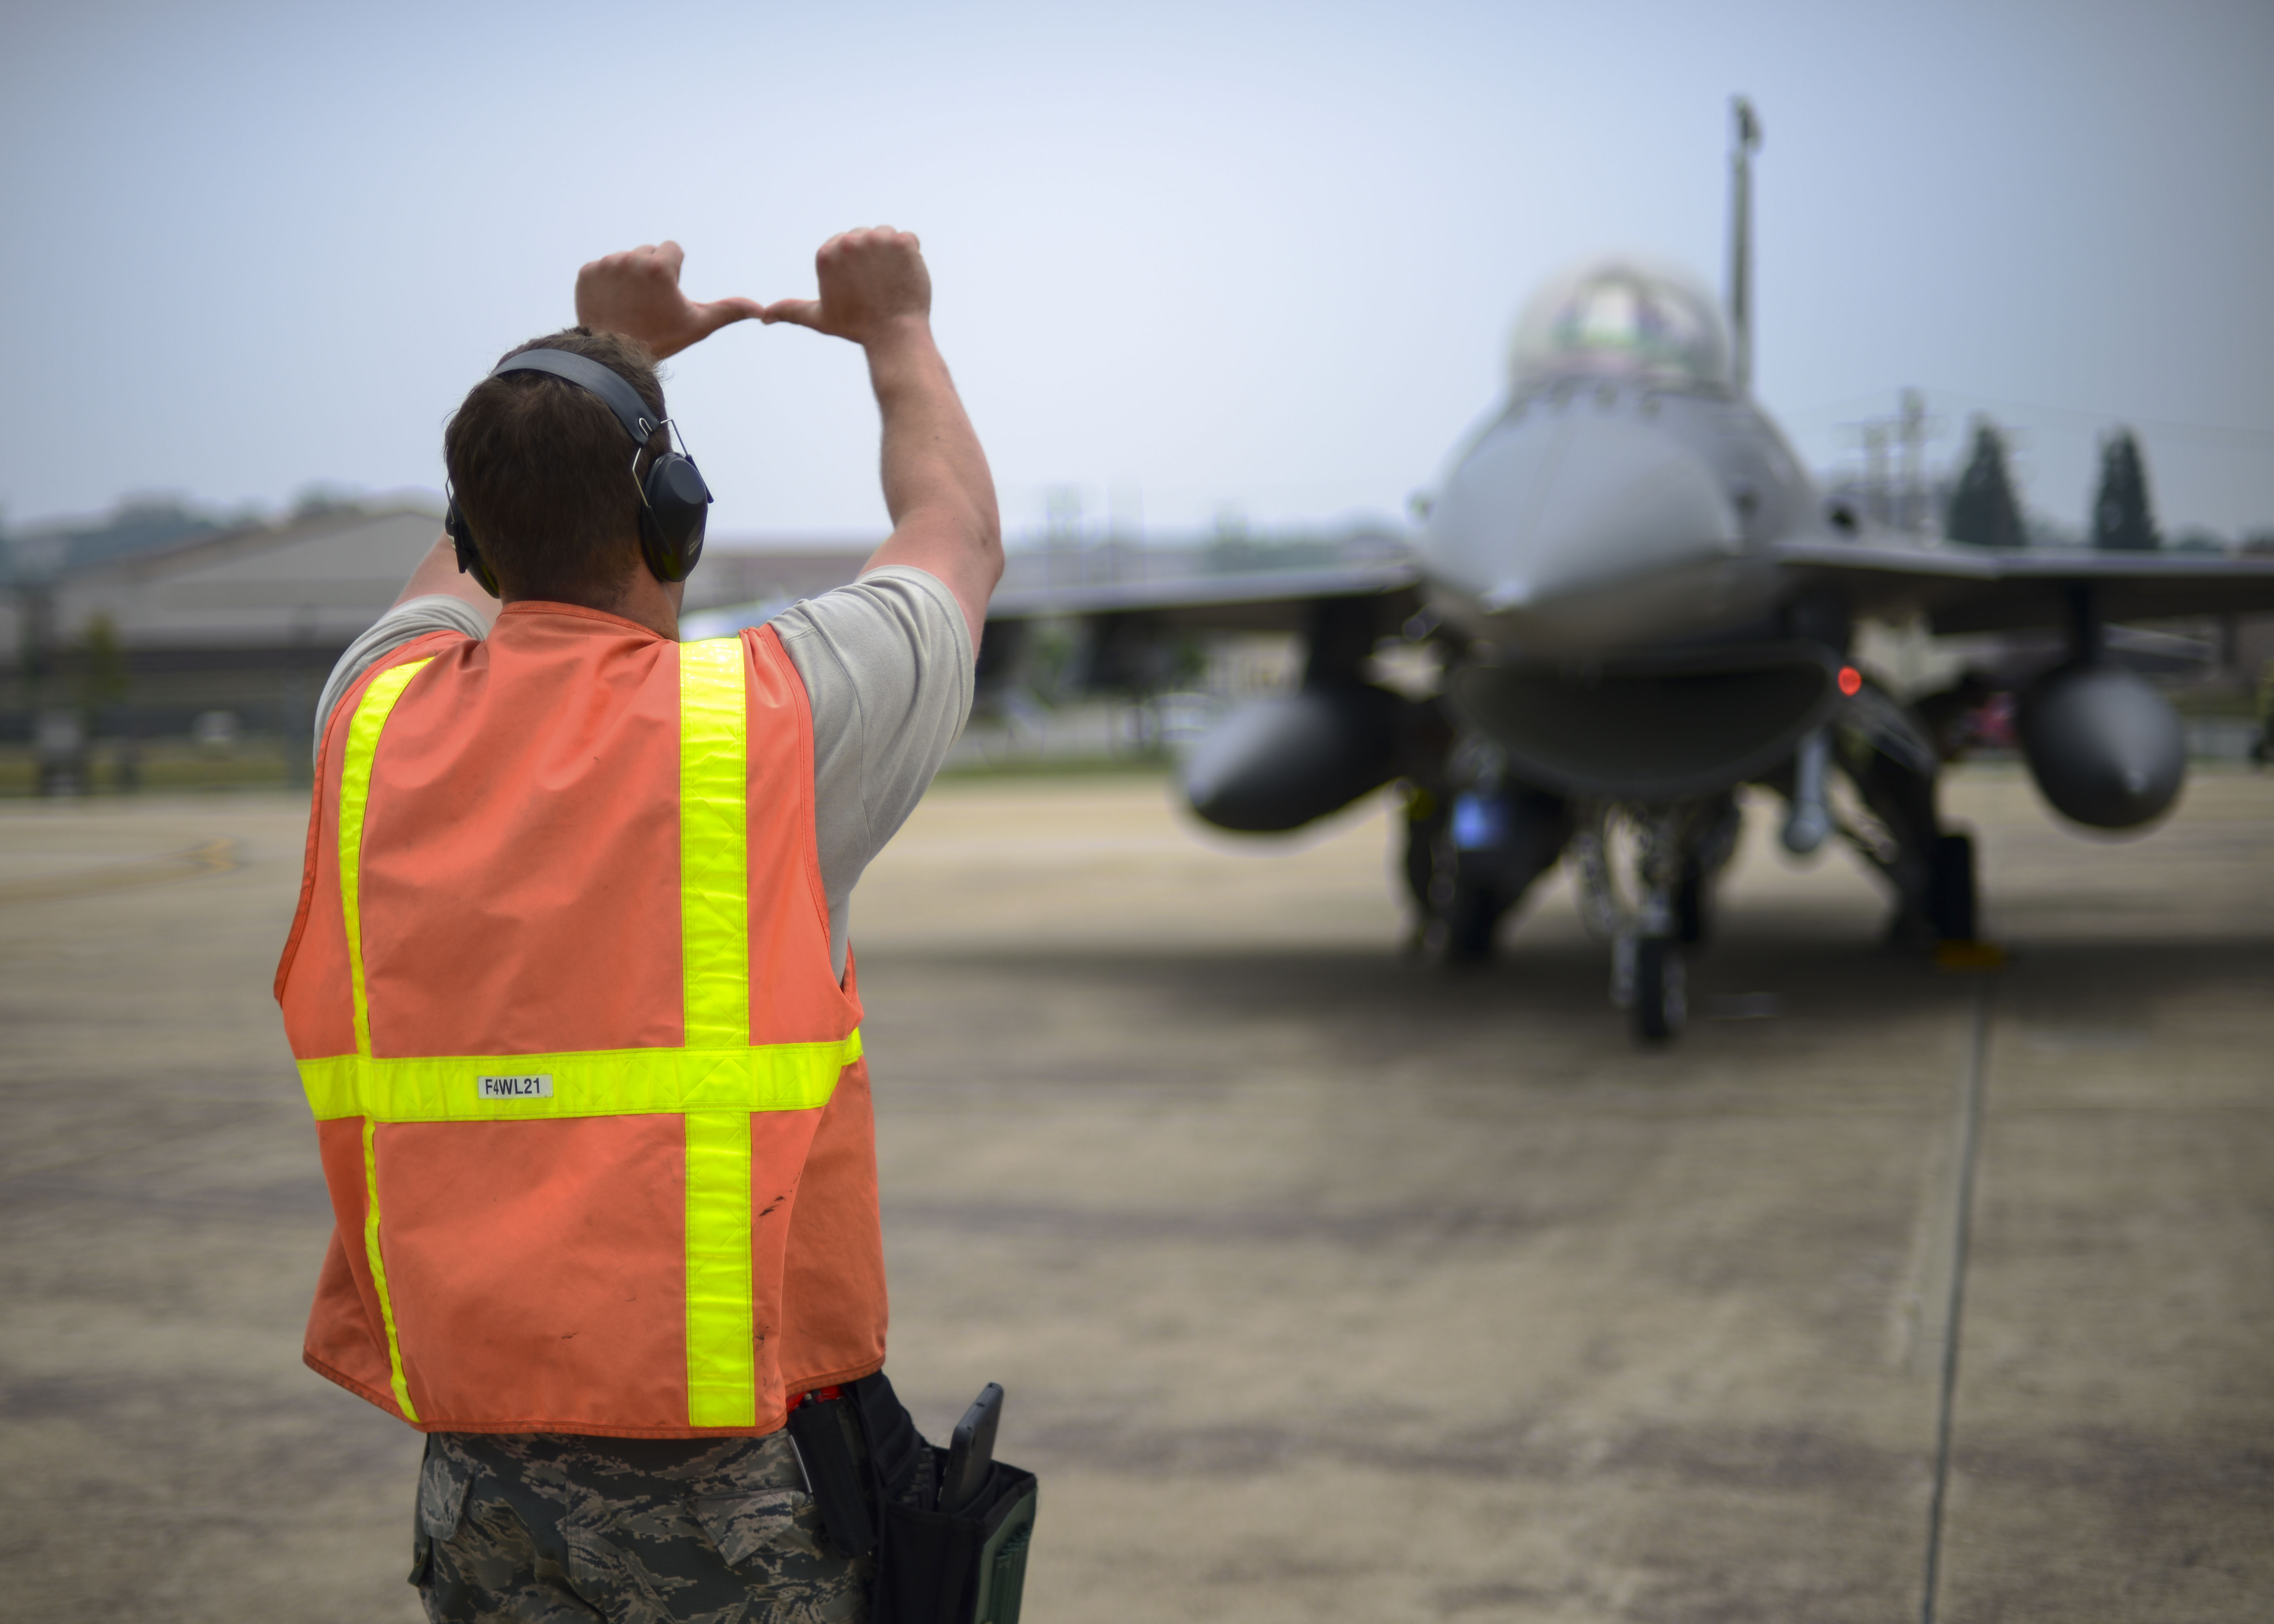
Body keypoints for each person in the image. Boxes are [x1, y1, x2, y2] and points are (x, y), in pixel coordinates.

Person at [274, 230, 1001, 1622]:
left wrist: (591, 360)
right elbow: (955, 539)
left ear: (477, 532)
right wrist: (896, 330)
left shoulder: (369, 721)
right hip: (735, 1480)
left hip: (479, 1474)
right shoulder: (772, 724)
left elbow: (451, 572)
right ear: (677, 516)